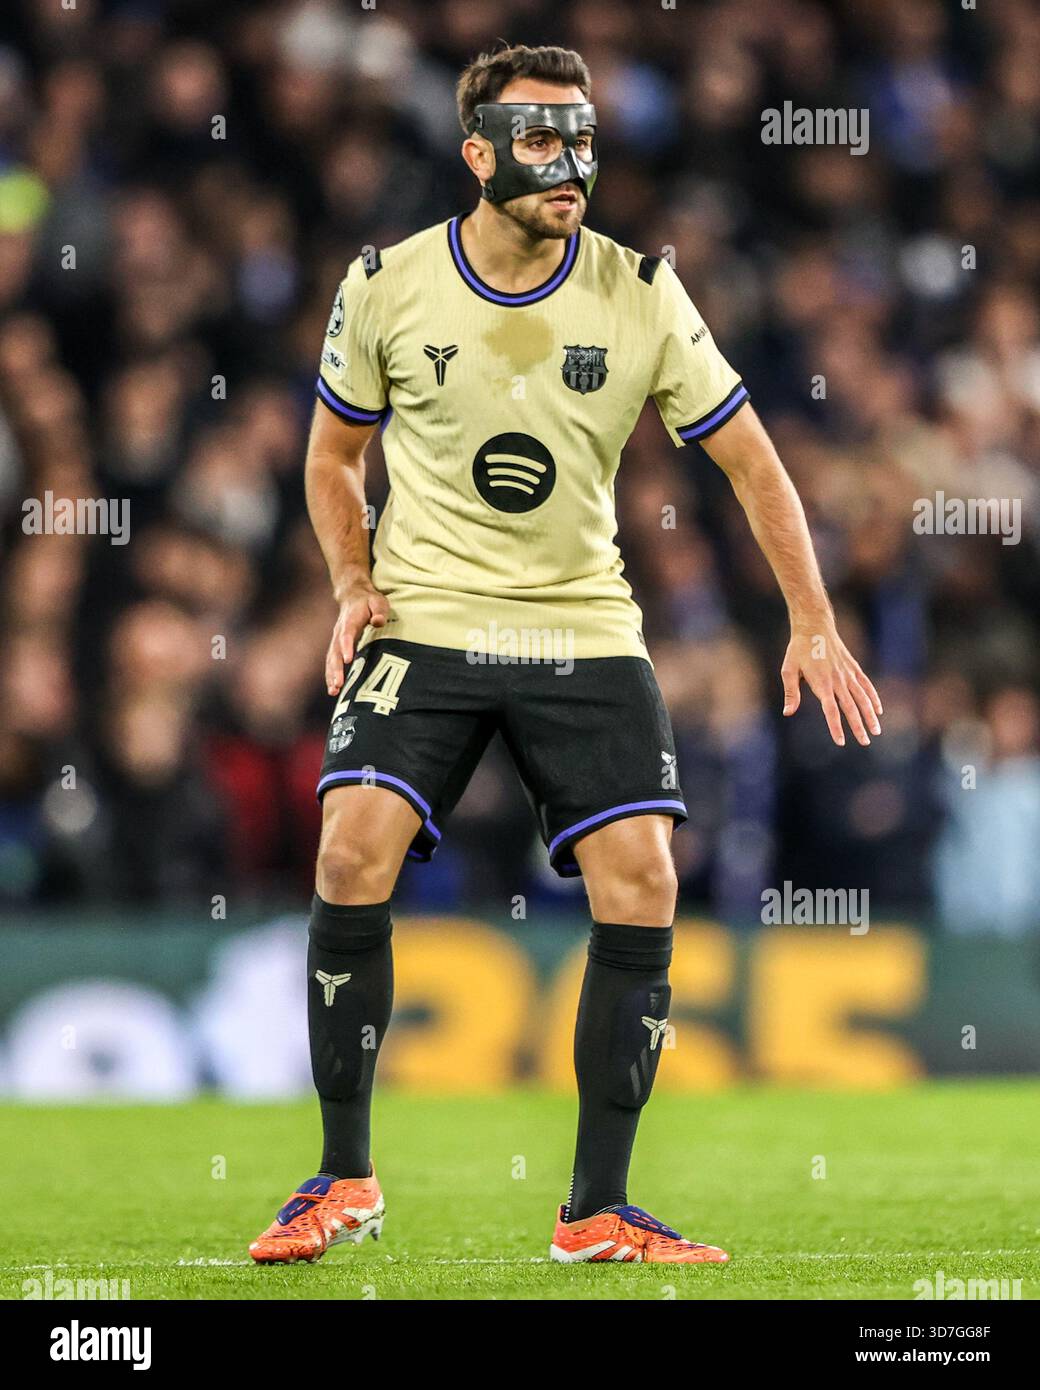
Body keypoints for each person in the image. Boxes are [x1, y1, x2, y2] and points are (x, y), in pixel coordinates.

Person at [249, 43, 882, 1267]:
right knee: (348, 845)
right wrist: (347, 581)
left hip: (581, 623)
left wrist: (810, 618)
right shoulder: (383, 284)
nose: (570, 164)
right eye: (539, 140)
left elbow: (750, 461)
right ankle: (342, 1178)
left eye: (581, 138)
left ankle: (595, 1205)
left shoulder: (638, 289)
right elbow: (331, 457)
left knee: (640, 879)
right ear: (475, 152)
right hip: (425, 618)